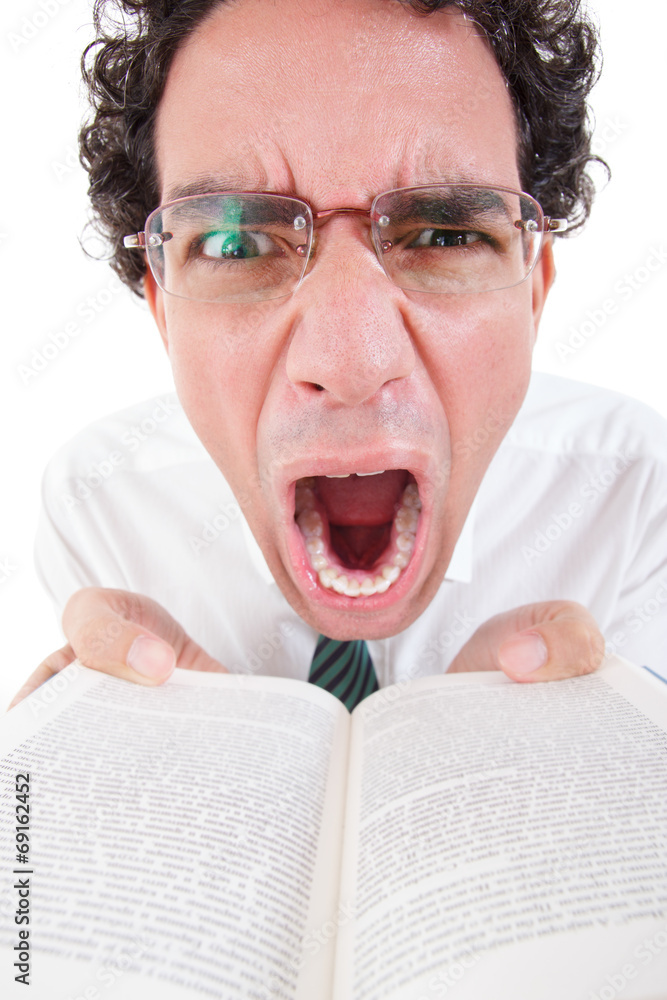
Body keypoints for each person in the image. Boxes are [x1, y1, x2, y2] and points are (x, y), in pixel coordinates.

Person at [11, 0, 667, 706]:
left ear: (531, 295)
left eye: (443, 236)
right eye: (238, 244)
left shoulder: (632, 498)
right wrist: (32, 804)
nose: (350, 363)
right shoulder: (100, 506)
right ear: (163, 311)